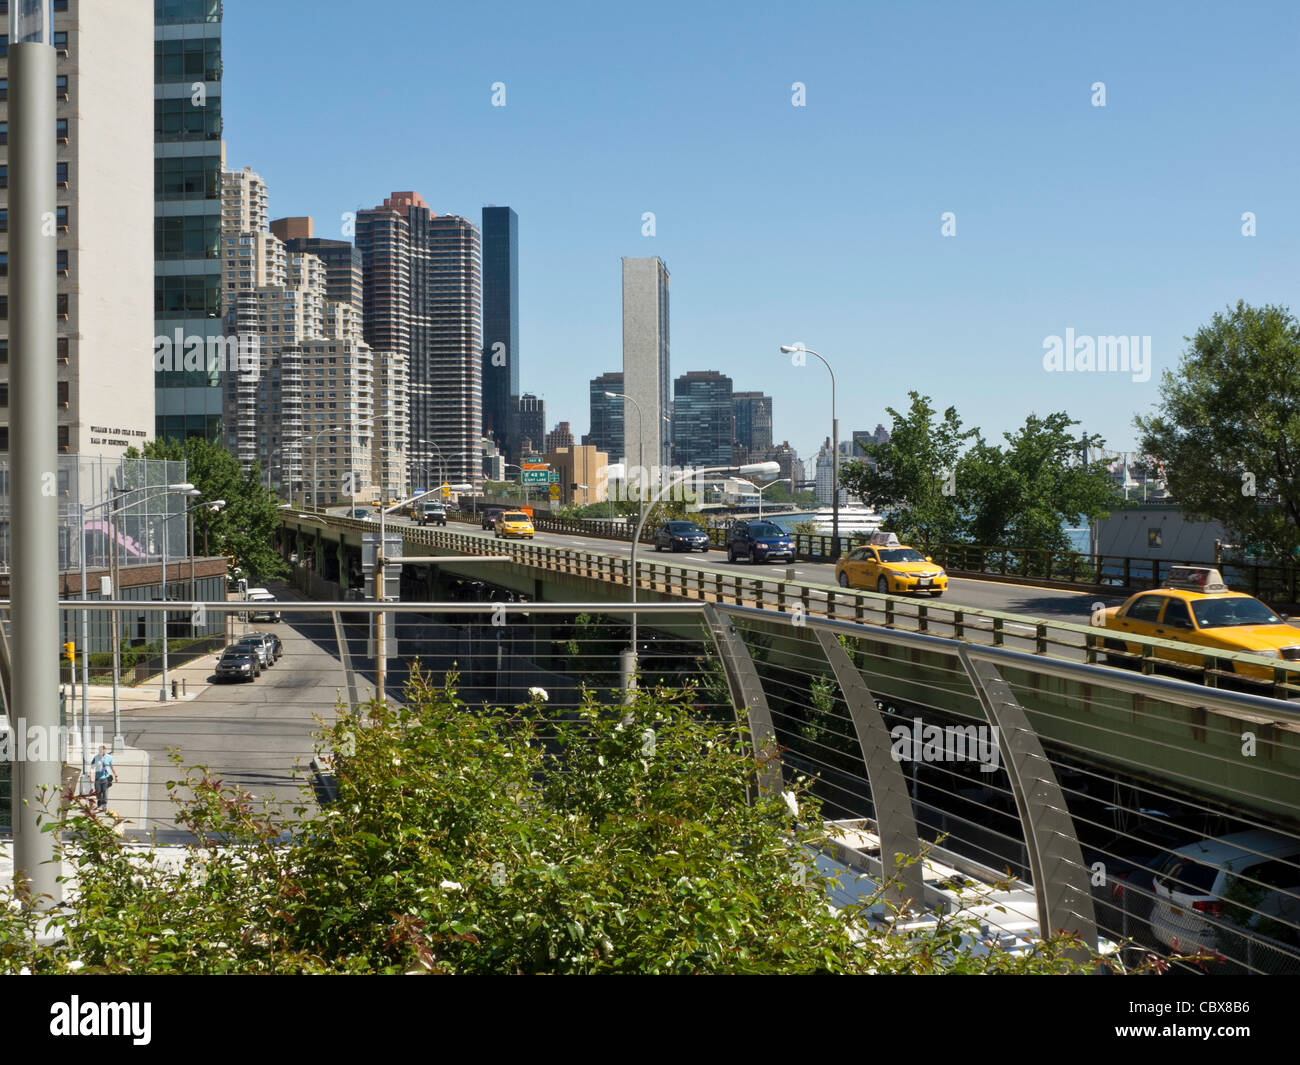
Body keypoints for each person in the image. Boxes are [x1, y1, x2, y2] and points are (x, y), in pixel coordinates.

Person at [91, 745, 117, 810]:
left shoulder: (109, 757)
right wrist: (91, 777)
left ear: (105, 750)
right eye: (100, 751)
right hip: (98, 778)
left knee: (105, 792)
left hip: (106, 777)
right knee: (98, 791)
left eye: (103, 750)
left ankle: (104, 805)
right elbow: (92, 767)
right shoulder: (96, 758)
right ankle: (99, 801)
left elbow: (112, 767)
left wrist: (116, 775)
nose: (101, 752)